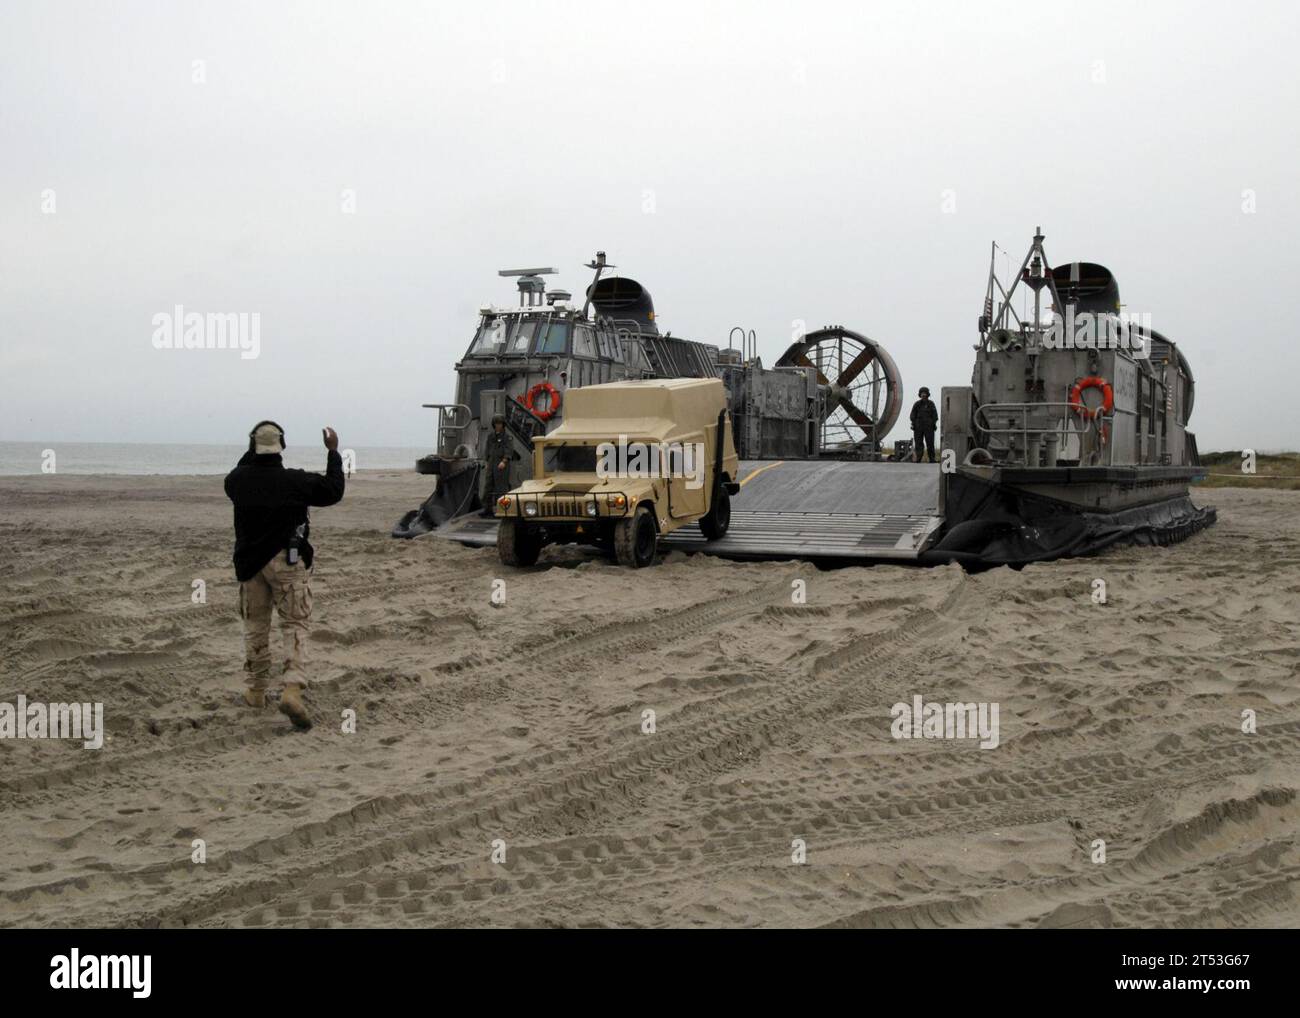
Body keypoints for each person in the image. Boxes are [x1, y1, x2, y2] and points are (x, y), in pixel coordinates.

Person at [224, 422, 345, 729]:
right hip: (287, 561)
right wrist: (333, 452)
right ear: (282, 447)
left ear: (253, 447)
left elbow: (241, 469)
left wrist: (253, 444)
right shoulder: (295, 481)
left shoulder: (237, 481)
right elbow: (333, 490)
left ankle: (256, 690)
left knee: (255, 625)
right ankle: (292, 688)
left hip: (250, 564)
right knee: (294, 623)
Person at [481, 413, 517, 516]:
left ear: (503, 424)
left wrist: (504, 461)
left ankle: (503, 510)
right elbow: (487, 450)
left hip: (501, 465)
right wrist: (487, 462)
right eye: (496, 423)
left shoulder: (507, 437)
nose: (498, 425)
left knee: (501, 488)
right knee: (488, 486)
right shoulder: (491, 436)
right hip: (491, 464)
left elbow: (509, 450)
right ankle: (487, 509)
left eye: (500, 423)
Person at [910, 387, 938, 463]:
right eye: (922, 393)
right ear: (920, 394)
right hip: (918, 426)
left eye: (925, 393)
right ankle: (918, 458)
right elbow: (912, 415)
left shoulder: (931, 404)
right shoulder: (917, 404)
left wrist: (933, 423)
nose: (923, 395)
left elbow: (935, 415)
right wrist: (913, 423)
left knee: (930, 443)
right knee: (918, 443)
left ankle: (932, 459)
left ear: (927, 394)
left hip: (929, 426)